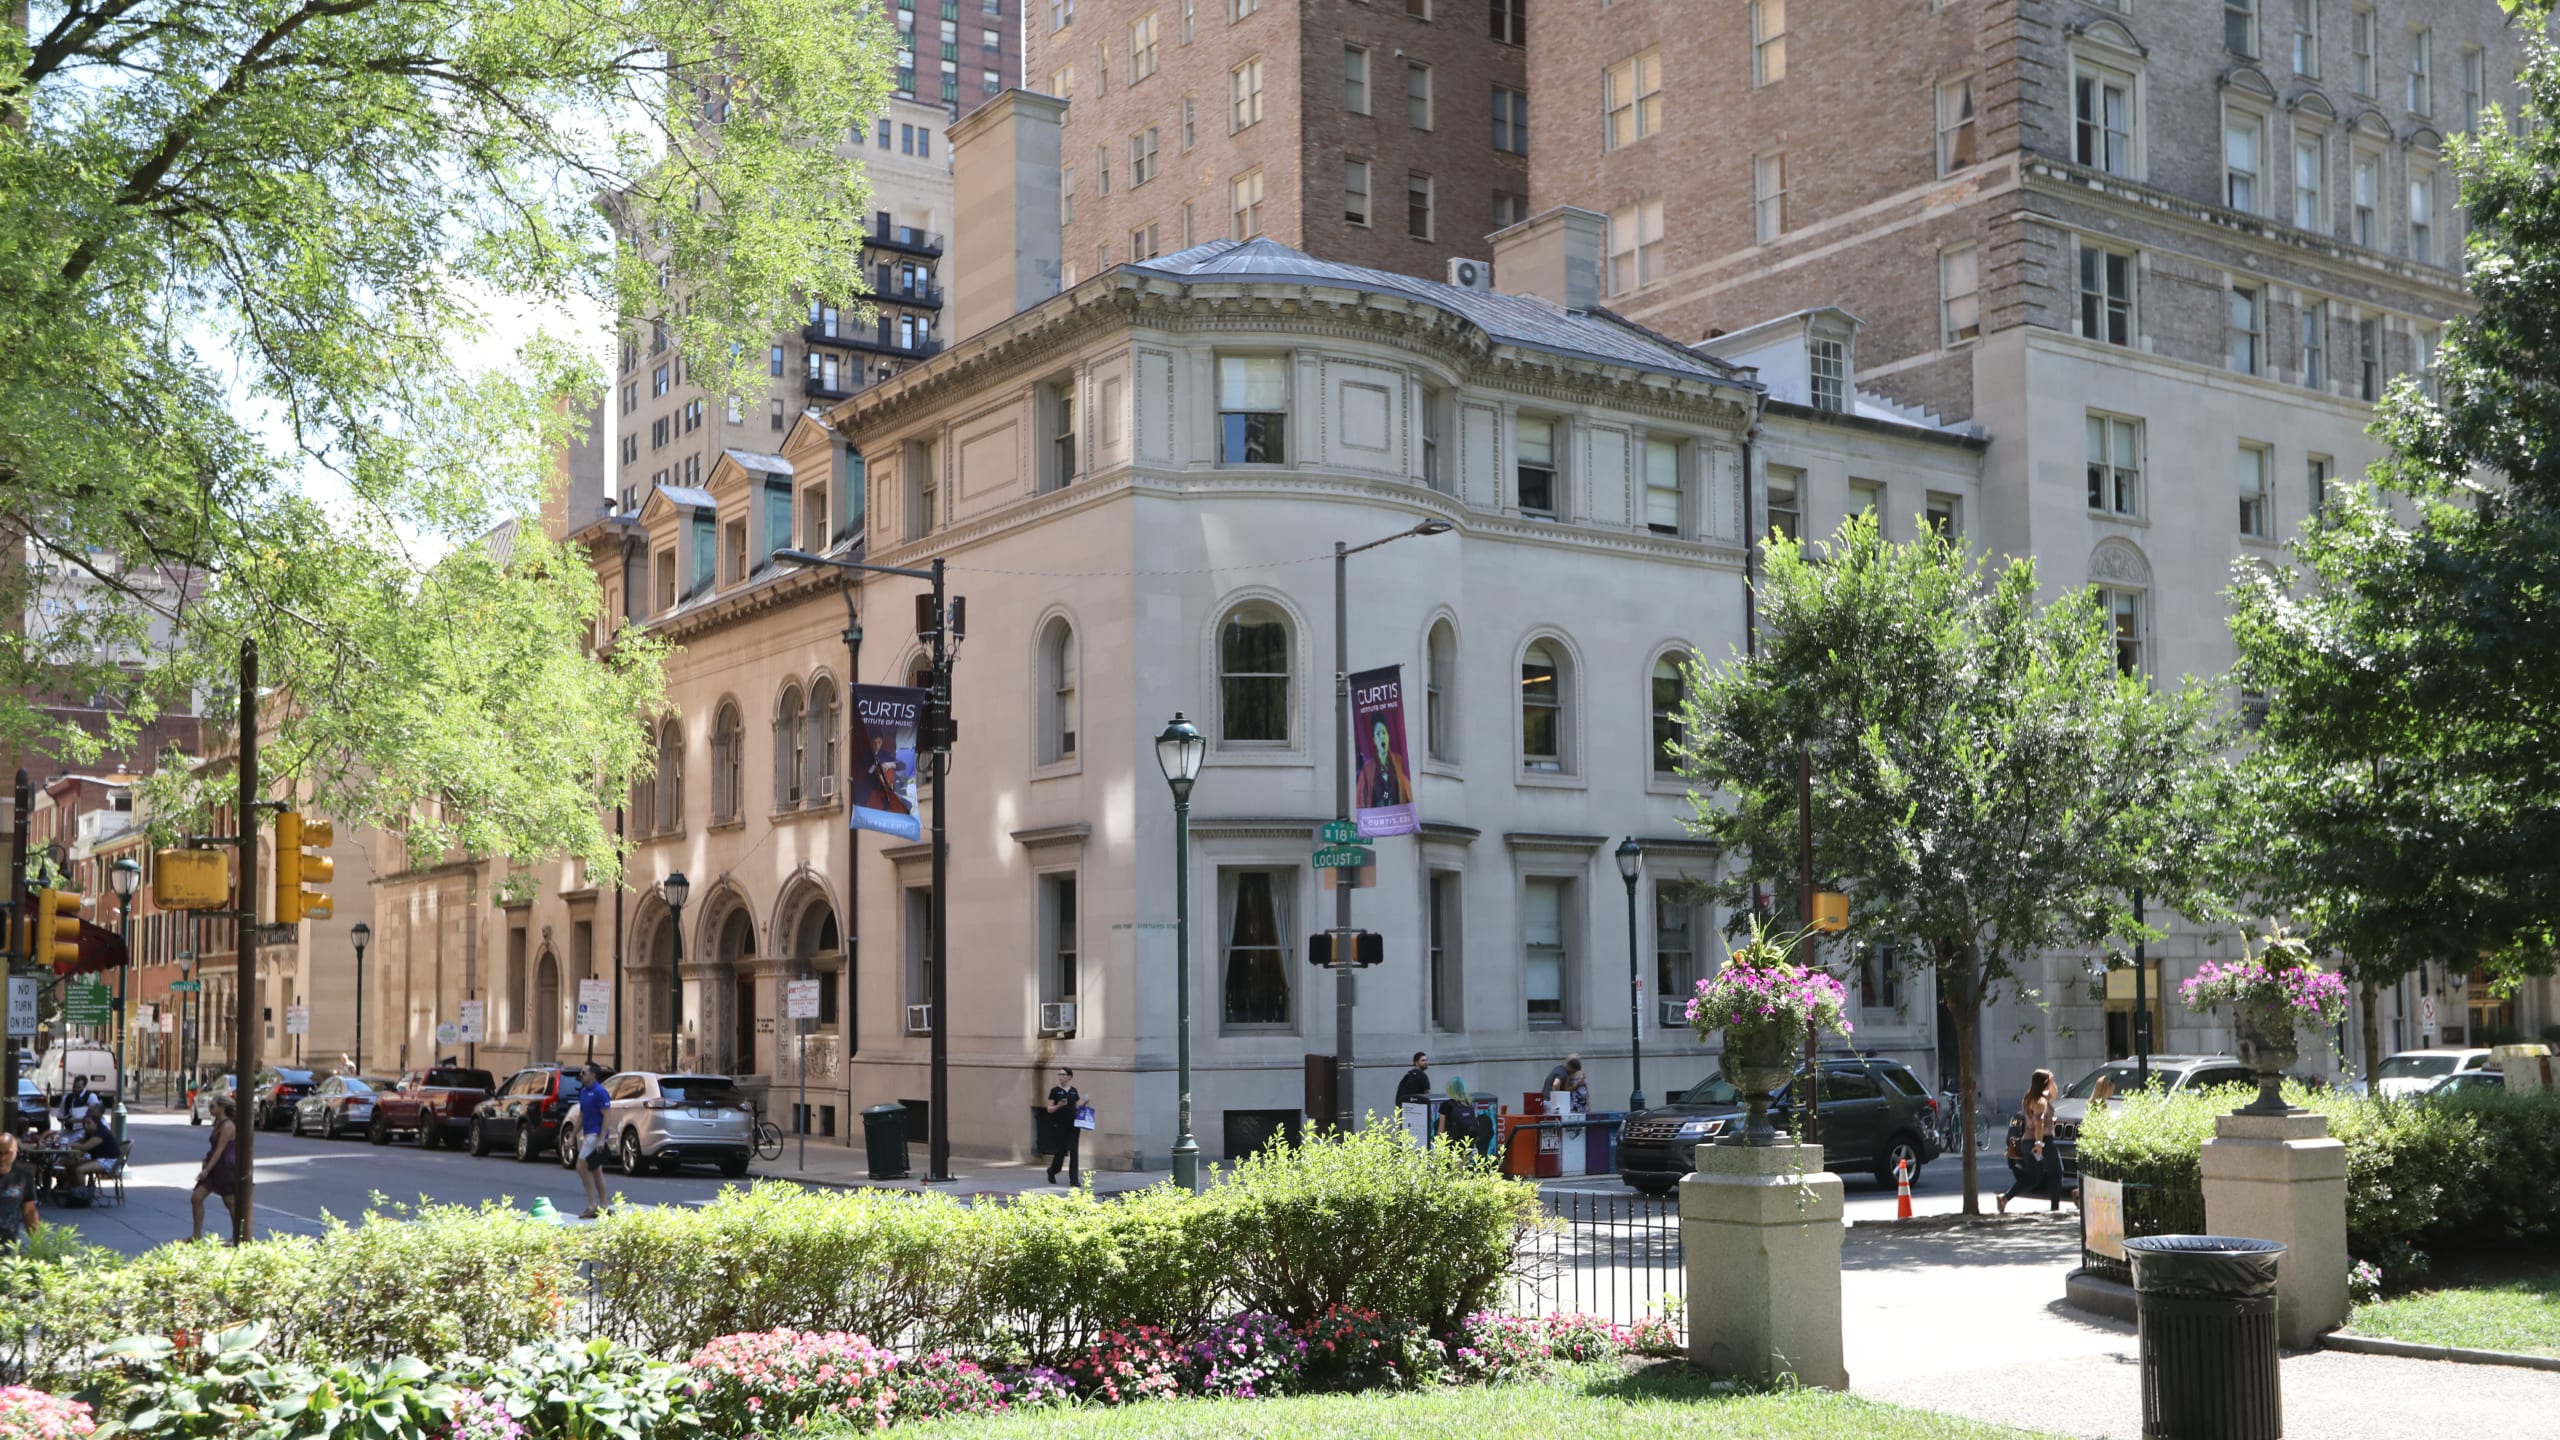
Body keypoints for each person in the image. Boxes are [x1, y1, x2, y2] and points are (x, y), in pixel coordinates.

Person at [1999, 1068, 2069, 1213]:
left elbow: (2054, 1094)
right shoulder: (2040, 1101)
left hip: (2026, 1143)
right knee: (2056, 1171)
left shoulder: (2029, 1097)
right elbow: (2039, 1123)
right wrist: (2039, 1144)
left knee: (2033, 1177)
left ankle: (2005, 1198)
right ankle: (2055, 1207)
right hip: (2043, 1141)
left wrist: (2051, 1080)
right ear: (2044, 1083)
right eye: (2049, 1081)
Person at [191, 1096, 238, 1242]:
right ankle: (196, 1235)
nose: (210, 1109)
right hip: (213, 1165)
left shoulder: (228, 1125)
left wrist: (206, 1170)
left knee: (230, 1201)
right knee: (196, 1198)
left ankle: (237, 1236)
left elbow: (220, 1150)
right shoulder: (218, 1123)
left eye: (212, 1106)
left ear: (222, 1107)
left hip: (224, 1166)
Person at [574, 1063, 613, 1219]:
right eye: (581, 1072)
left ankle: (592, 1205)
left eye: (584, 1073)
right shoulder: (584, 1092)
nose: (581, 1075)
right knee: (596, 1170)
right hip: (588, 1133)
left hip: (595, 1135)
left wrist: (602, 1139)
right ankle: (604, 1206)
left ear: (593, 1075)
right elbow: (581, 1115)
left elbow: (607, 1116)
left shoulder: (600, 1092)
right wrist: (572, 1135)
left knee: (581, 1166)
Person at [0, 1133, 41, 1254]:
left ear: (16, 1151)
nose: (2, 1158)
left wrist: (37, 1243)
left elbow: (29, 1211)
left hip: (9, 1243)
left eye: (7, 1153)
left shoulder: (24, 1177)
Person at [1044, 1066, 1082, 1186]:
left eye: (1063, 1074)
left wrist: (1085, 1104)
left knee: (1074, 1152)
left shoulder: (1073, 1091)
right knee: (1061, 1151)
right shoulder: (1055, 1091)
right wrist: (1059, 1105)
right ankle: (1052, 1171)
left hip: (1073, 1126)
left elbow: (1076, 1107)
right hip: (1060, 1126)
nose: (1060, 1077)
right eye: (1059, 1074)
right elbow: (1049, 1109)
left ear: (1069, 1077)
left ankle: (1074, 1180)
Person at [69, 1104, 120, 1191]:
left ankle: (82, 1193)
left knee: (79, 1169)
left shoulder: (101, 1133)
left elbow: (85, 1147)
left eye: (89, 1123)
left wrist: (69, 1145)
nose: (85, 1125)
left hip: (108, 1161)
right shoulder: (90, 1133)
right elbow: (81, 1142)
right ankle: (72, 1189)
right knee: (71, 1166)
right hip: (100, 1159)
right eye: (84, 1123)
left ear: (96, 1123)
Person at [1438, 1077, 1478, 1151]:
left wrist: (1438, 1146)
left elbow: (1441, 1129)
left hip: (1452, 1145)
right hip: (1467, 1144)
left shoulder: (1446, 1105)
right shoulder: (1468, 1103)